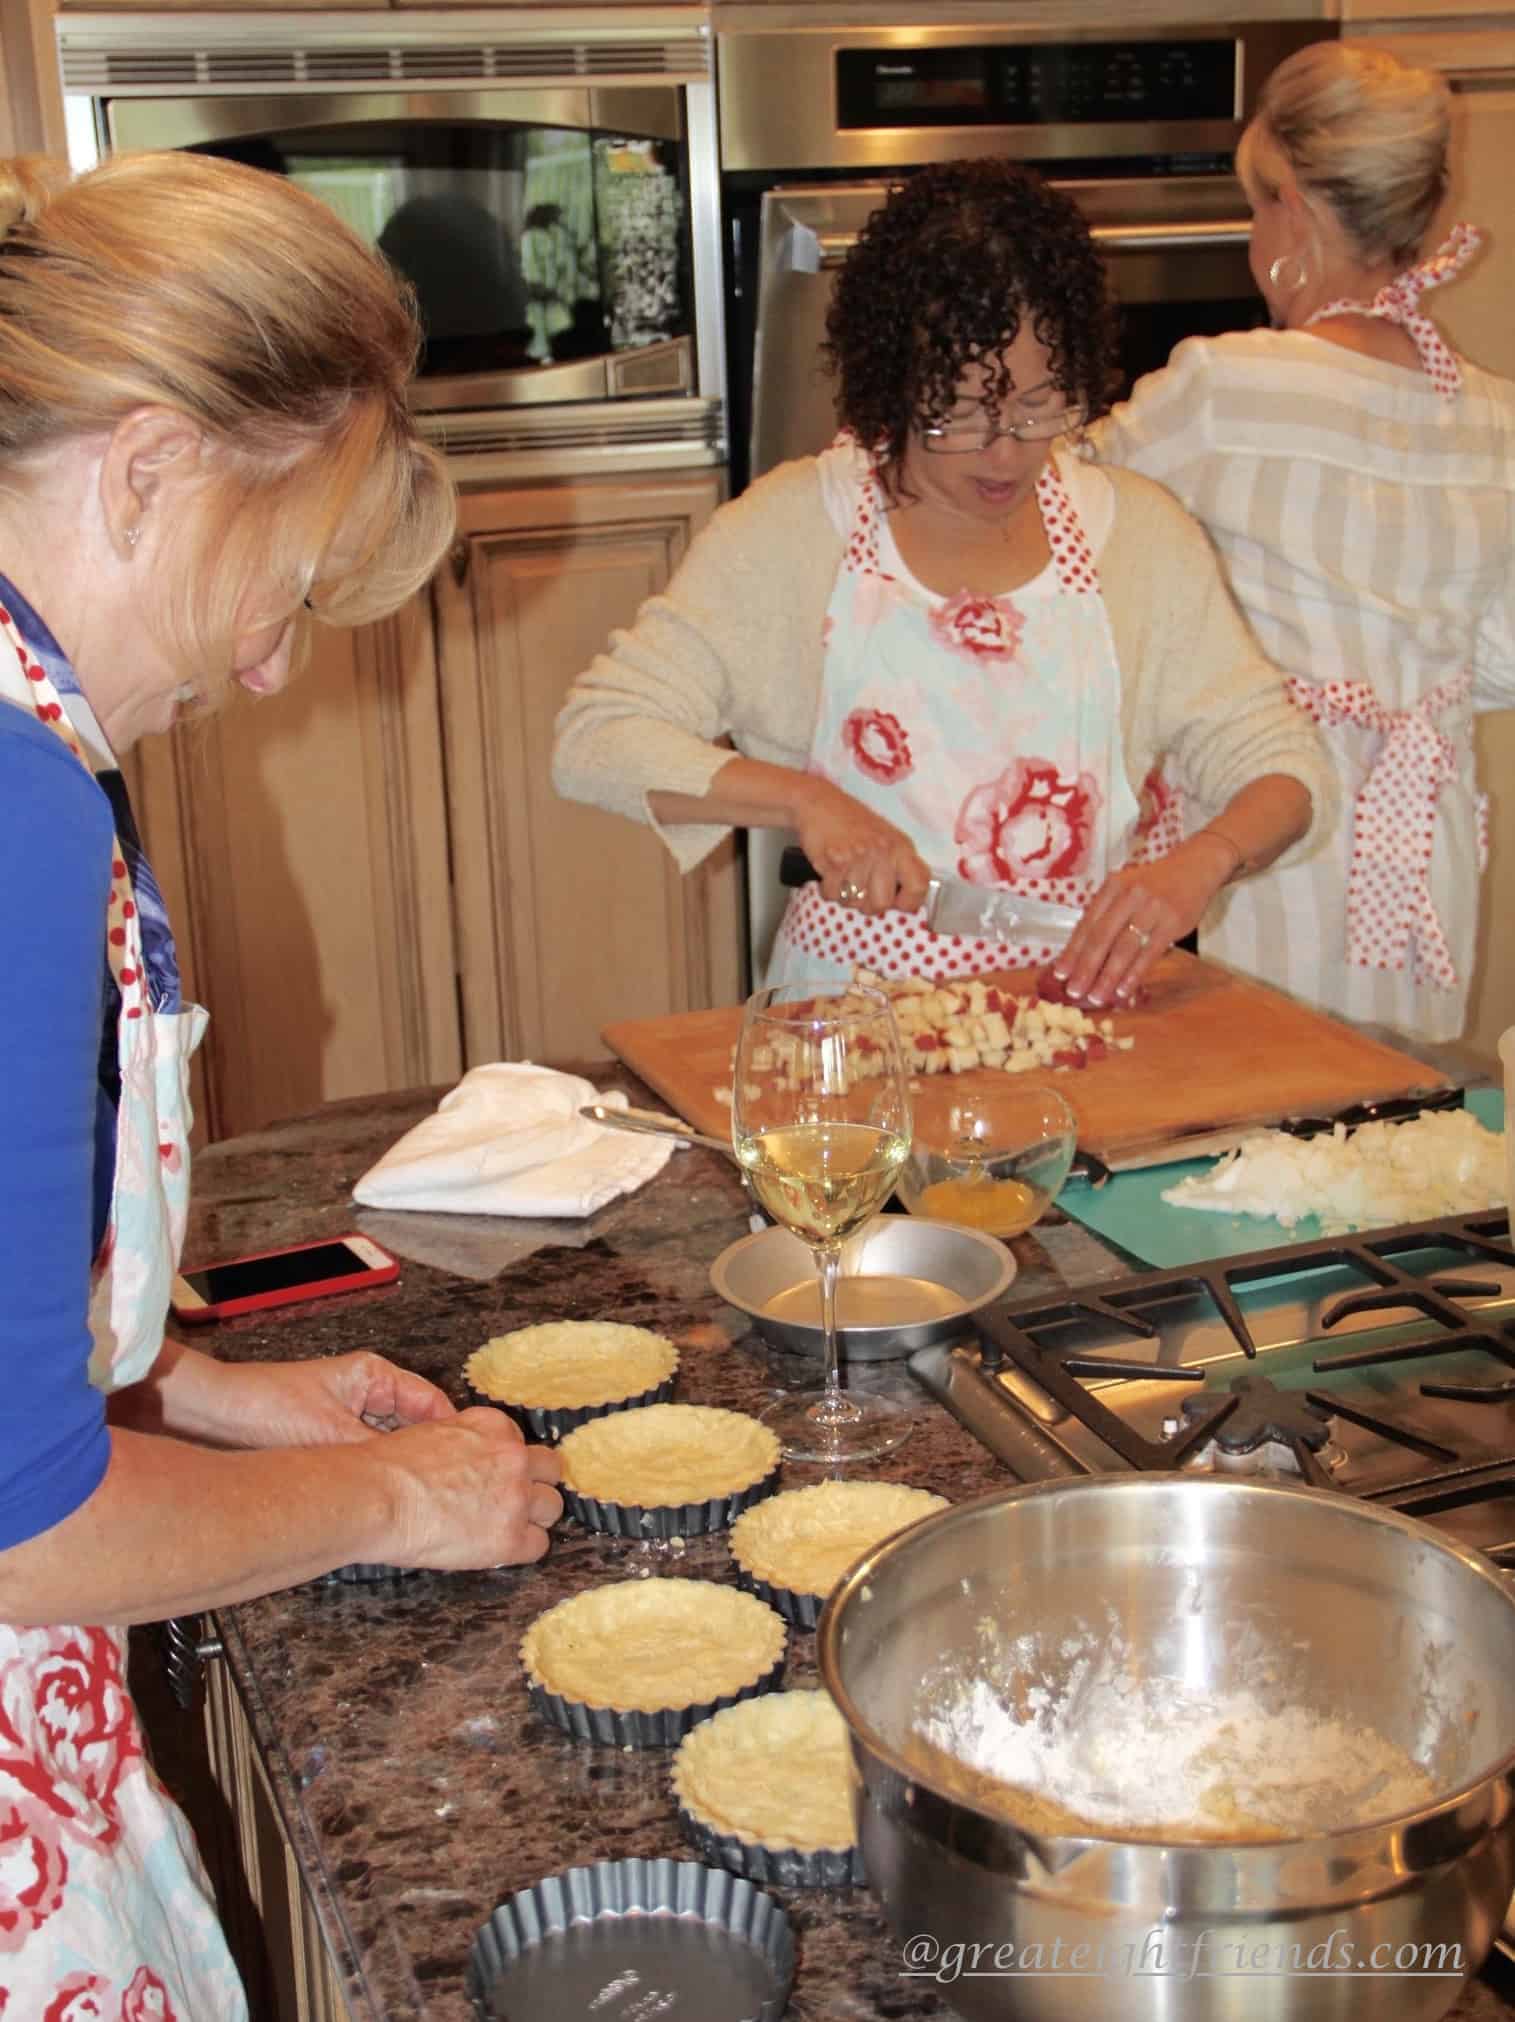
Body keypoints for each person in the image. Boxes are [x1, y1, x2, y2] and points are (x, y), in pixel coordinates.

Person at [0, 150, 563, 2013]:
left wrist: (206, 1394)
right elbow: (28, 1530)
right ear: (149, 467)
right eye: (284, 586)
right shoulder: (15, 809)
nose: (264, 666)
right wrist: (400, 1500)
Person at [552, 159, 1332, 1010]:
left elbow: (1282, 766)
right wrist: (804, 802)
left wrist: (1203, 860)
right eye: (957, 412)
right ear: (892, 383)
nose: (1003, 451)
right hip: (847, 1020)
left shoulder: (1137, 538)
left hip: (1077, 1008)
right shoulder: (795, 530)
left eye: (1038, 405)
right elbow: (598, 738)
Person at [1090, 41, 1515, 1042]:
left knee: (1241, 1096)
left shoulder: (1224, 390)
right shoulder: (1498, 420)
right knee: (1387, 1112)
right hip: (1417, 851)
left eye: (1254, 205)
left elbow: (1058, 535)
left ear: (1290, 205)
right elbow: (1501, 658)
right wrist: (1396, 692)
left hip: (1251, 837)